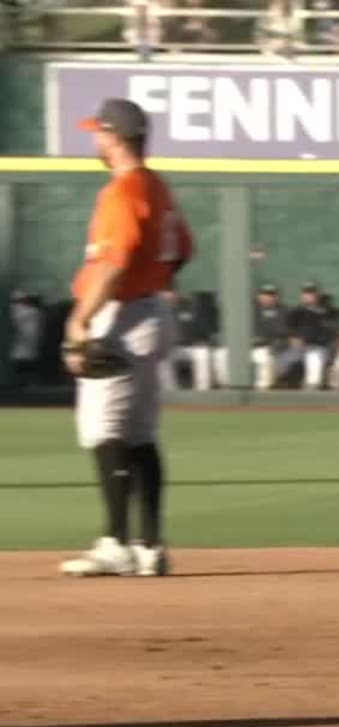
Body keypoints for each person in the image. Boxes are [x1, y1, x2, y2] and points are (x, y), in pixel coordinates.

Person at [59, 98, 193, 577]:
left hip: (119, 314)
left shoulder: (121, 192)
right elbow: (182, 250)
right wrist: (153, 280)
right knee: (140, 434)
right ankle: (151, 546)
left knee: (103, 431)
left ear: (115, 138)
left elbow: (112, 264)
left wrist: (79, 324)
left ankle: (116, 542)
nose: (94, 139)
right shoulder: (158, 188)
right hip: (152, 311)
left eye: (98, 132)